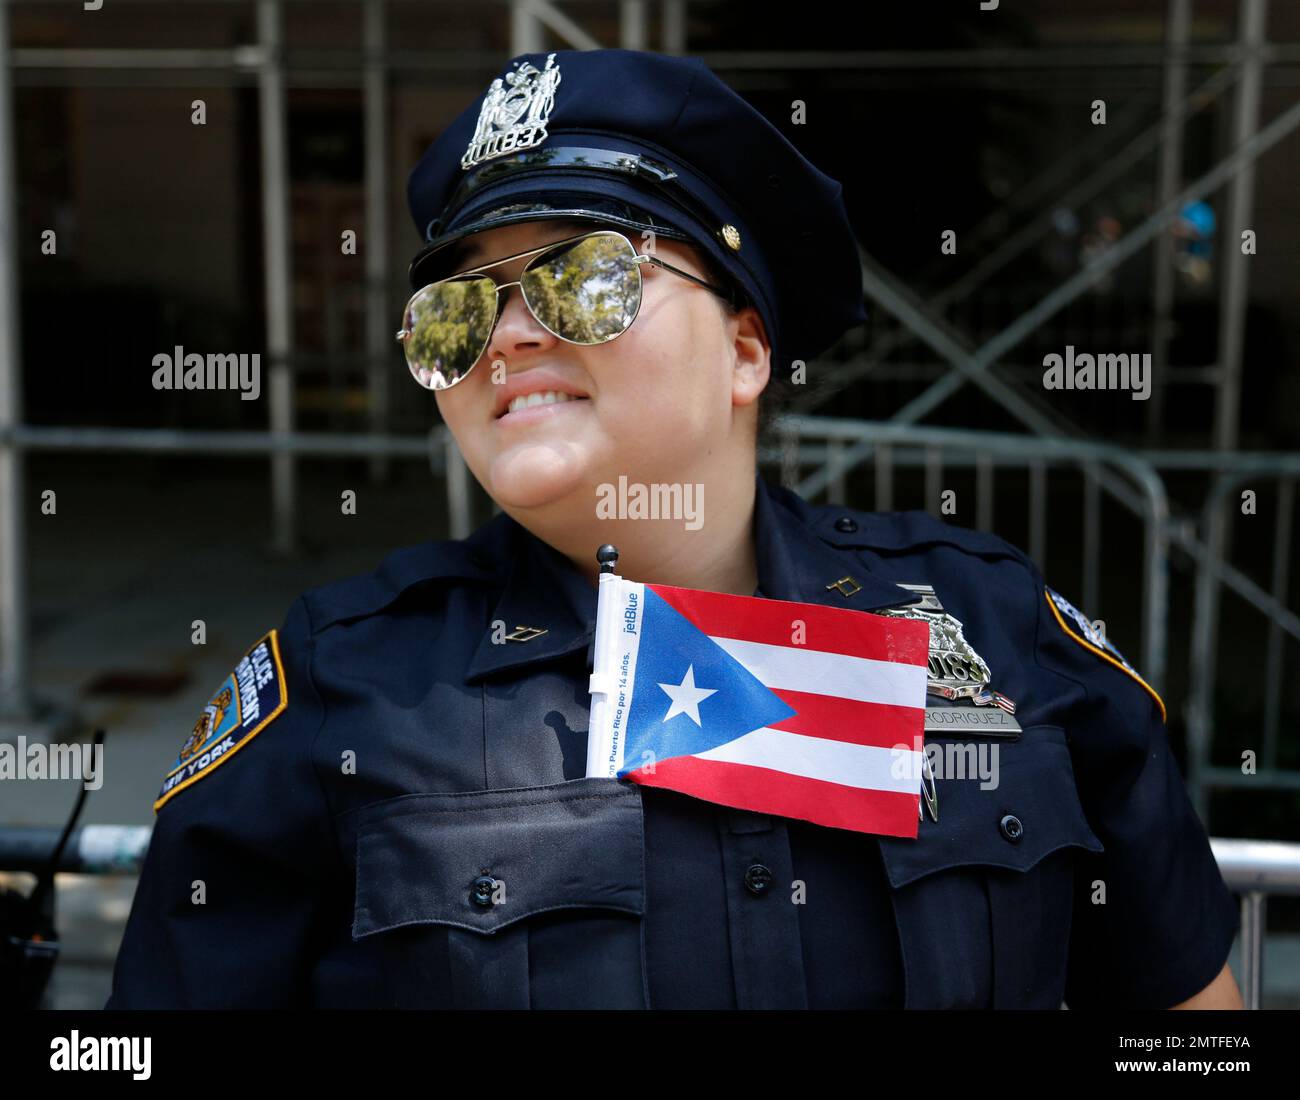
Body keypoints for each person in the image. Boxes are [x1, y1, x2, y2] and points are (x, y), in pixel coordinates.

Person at [105, 48, 1241, 1010]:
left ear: (746, 348)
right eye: (453, 310)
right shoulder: (339, 687)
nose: (504, 337)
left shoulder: (995, 633)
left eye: (583, 278)